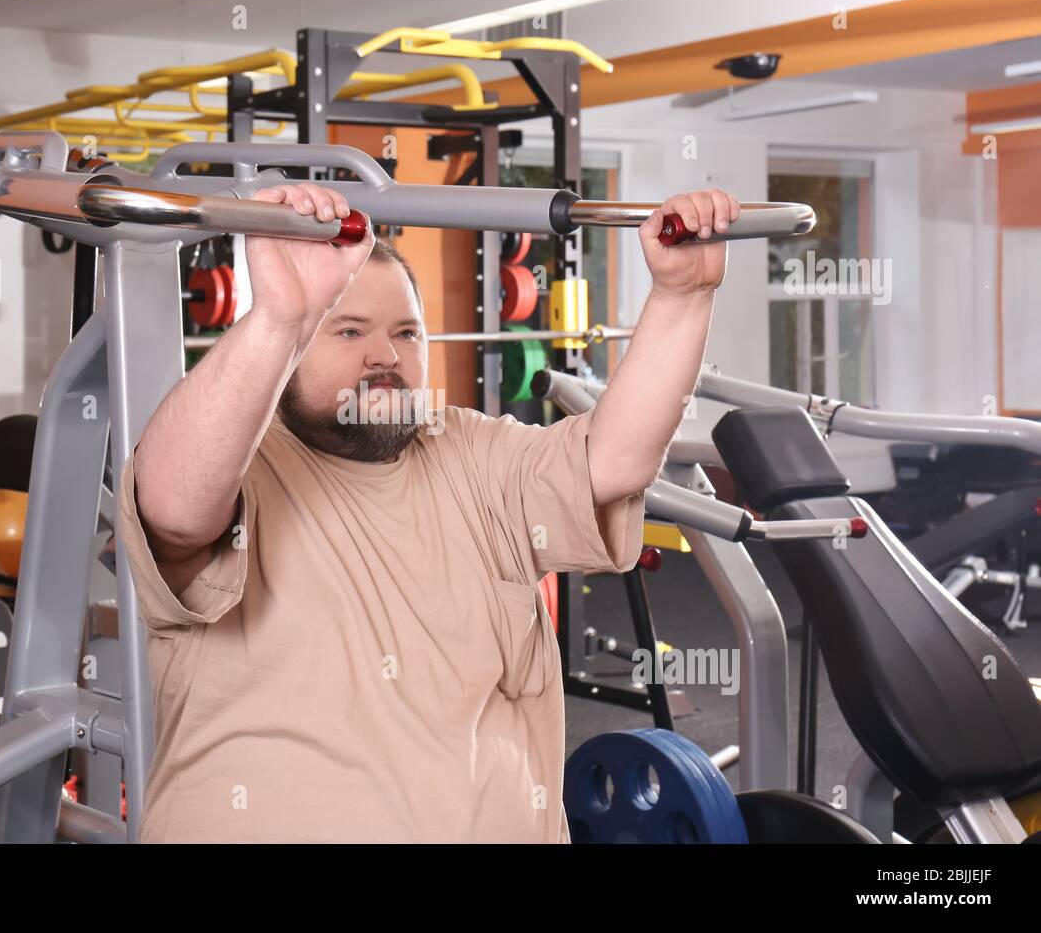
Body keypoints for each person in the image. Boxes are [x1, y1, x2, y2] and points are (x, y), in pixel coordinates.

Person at [117, 181, 739, 842]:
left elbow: (610, 463)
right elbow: (176, 512)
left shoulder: (467, 448)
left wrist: (683, 295)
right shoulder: (241, 469)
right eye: (348, 329)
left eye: (406, 332)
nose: (385, 355)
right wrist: (280, 317)